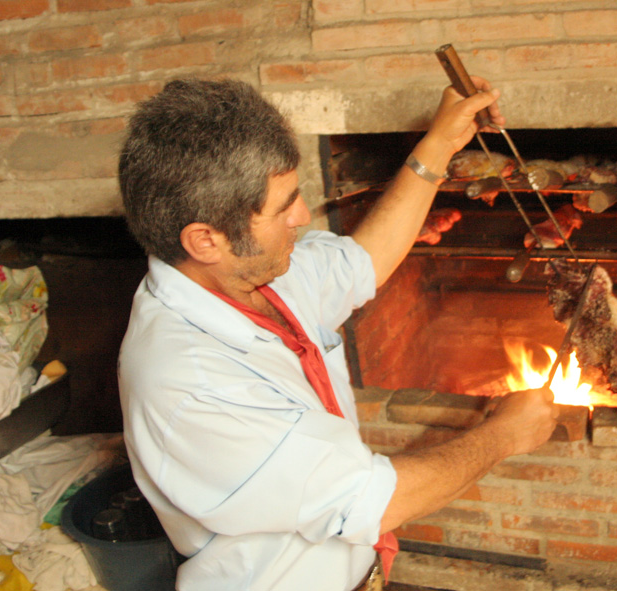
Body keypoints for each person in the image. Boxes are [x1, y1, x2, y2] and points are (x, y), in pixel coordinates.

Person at [116, 77, 558, 591]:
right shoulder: (190, 386)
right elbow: (377, 499)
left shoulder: (251, 277)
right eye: (283, 206)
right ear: (205, 240)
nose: (302, 217)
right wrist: (506, 434)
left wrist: (439, 143)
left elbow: (362, 260)